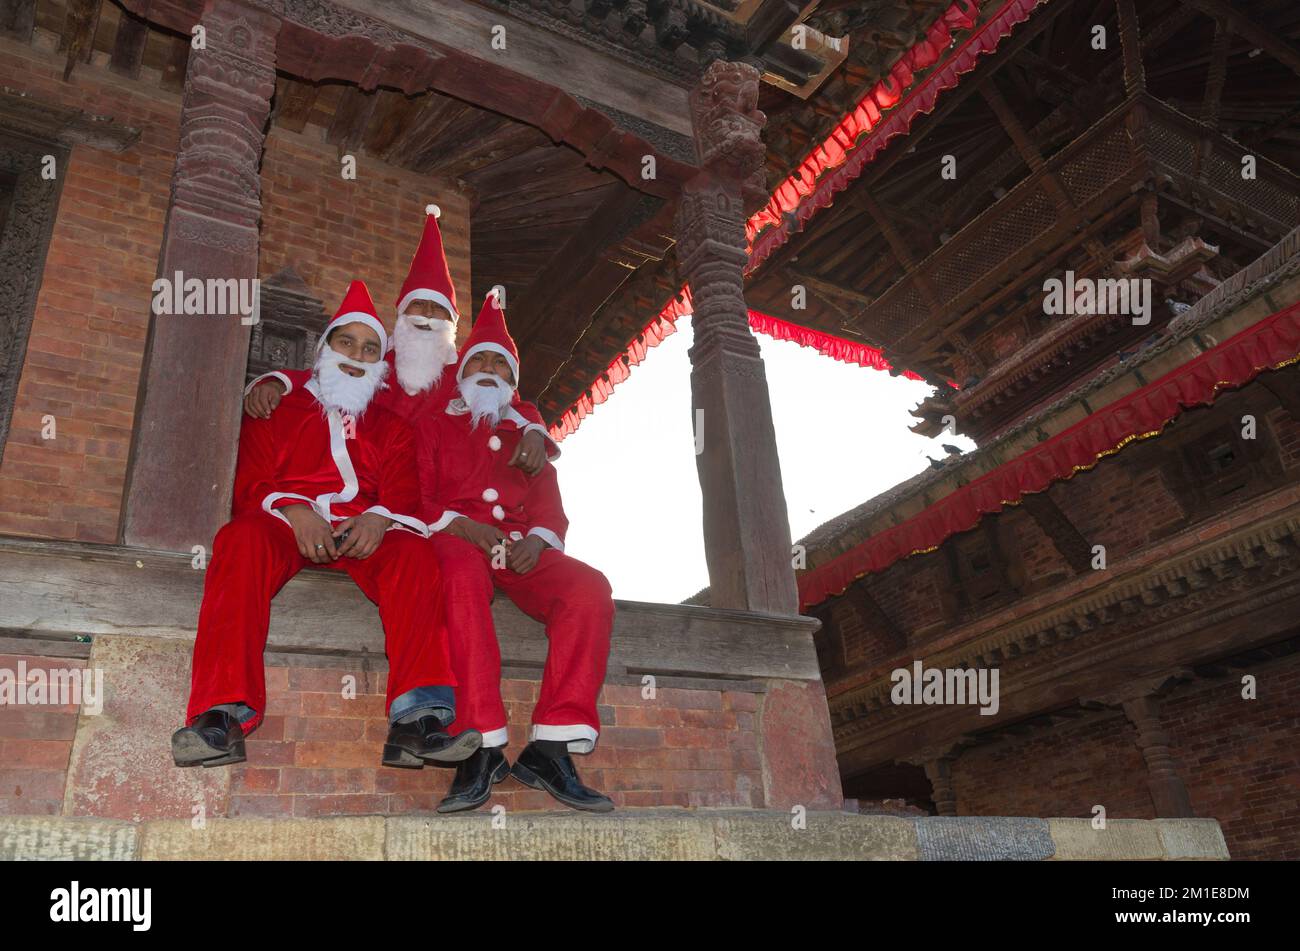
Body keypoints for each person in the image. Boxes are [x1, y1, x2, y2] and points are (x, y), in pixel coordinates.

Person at [171, 280, 481, 770]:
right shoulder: (277, 403)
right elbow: (251, 482)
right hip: (286, 524)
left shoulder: (391, 426)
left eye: (370, 348)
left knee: (416, 557)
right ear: (324, 348)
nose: (357, 354)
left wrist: (380, 519)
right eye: (346, 342)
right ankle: (221, 715)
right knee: (240, 540)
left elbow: (404, 495)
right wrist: (296, 512)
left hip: (364, 532)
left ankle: (416, 721)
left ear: (382, 361)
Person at [419, 290, 615, 813]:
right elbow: (417, 495)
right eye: (477, 360)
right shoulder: (435, 426)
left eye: (499, 365)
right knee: (459, 582)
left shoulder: (529, 441)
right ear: (461, 372)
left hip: (518, 550)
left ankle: (552, 745)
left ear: (511, 383)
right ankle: (480, 744)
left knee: (589, 588)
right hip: (457, 538)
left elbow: (551, 514)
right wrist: (459, 525)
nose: (487, 369)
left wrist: (535, 541)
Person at [243, 204, 556, 475]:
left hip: (433, 486)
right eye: (418, 305)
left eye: (438, 310)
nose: (427, 315)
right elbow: (321, 376)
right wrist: (276, 383)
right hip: (366, 475)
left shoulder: (464, 370)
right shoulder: (376, 357)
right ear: (402, 313)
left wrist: (533, 430)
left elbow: (510, 399)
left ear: (451, 323)